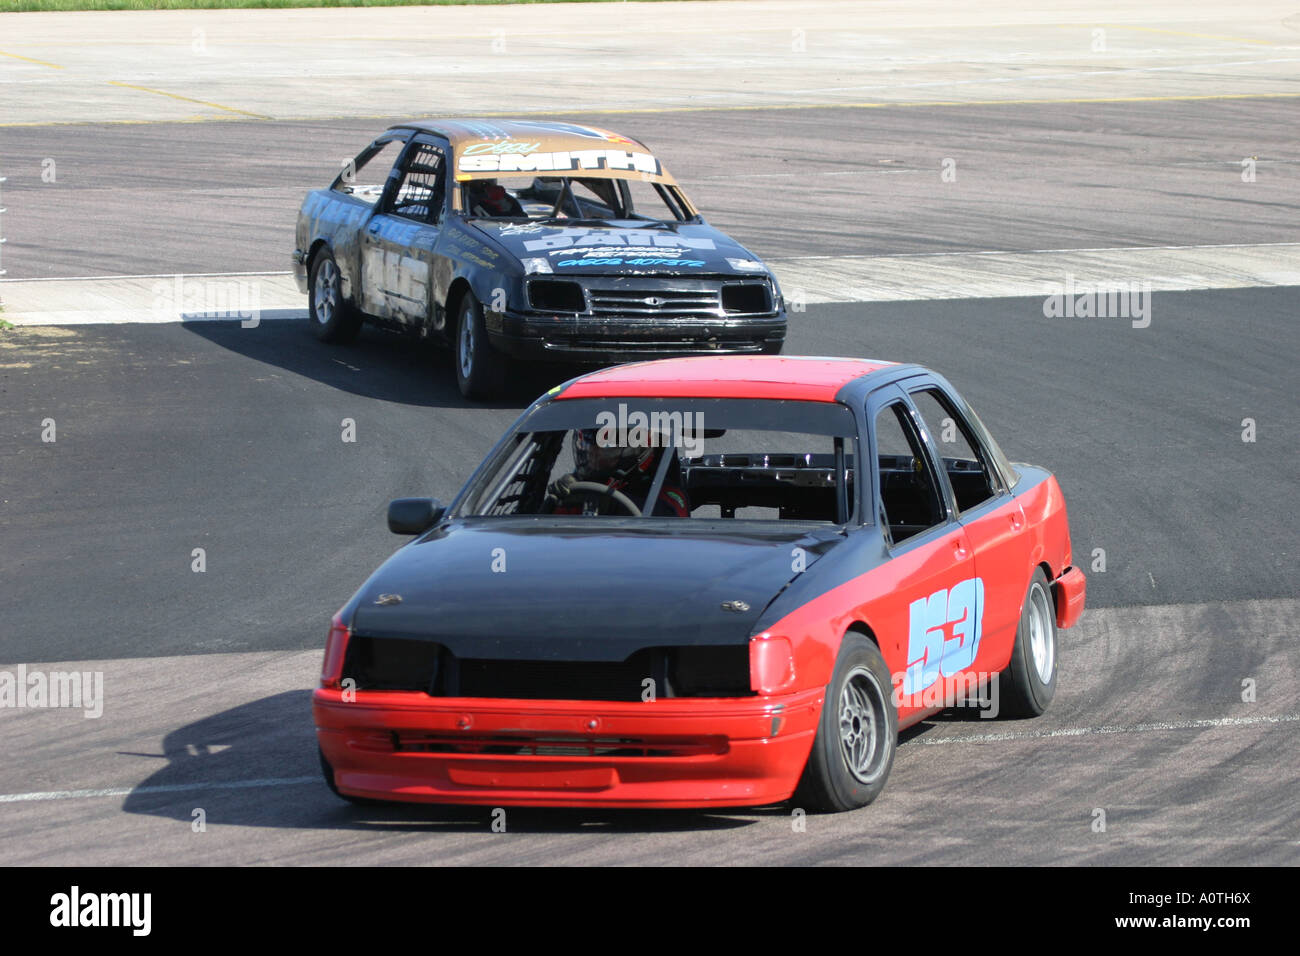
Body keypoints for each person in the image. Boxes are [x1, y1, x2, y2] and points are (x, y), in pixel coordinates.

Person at [551, 428, 690, 517]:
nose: (594, 455)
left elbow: (671, 516)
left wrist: (609, 503)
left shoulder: (667, 492)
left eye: (605, 447)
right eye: (589, 445)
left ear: (636, 450)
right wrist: (557, 500)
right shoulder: (580, 490)